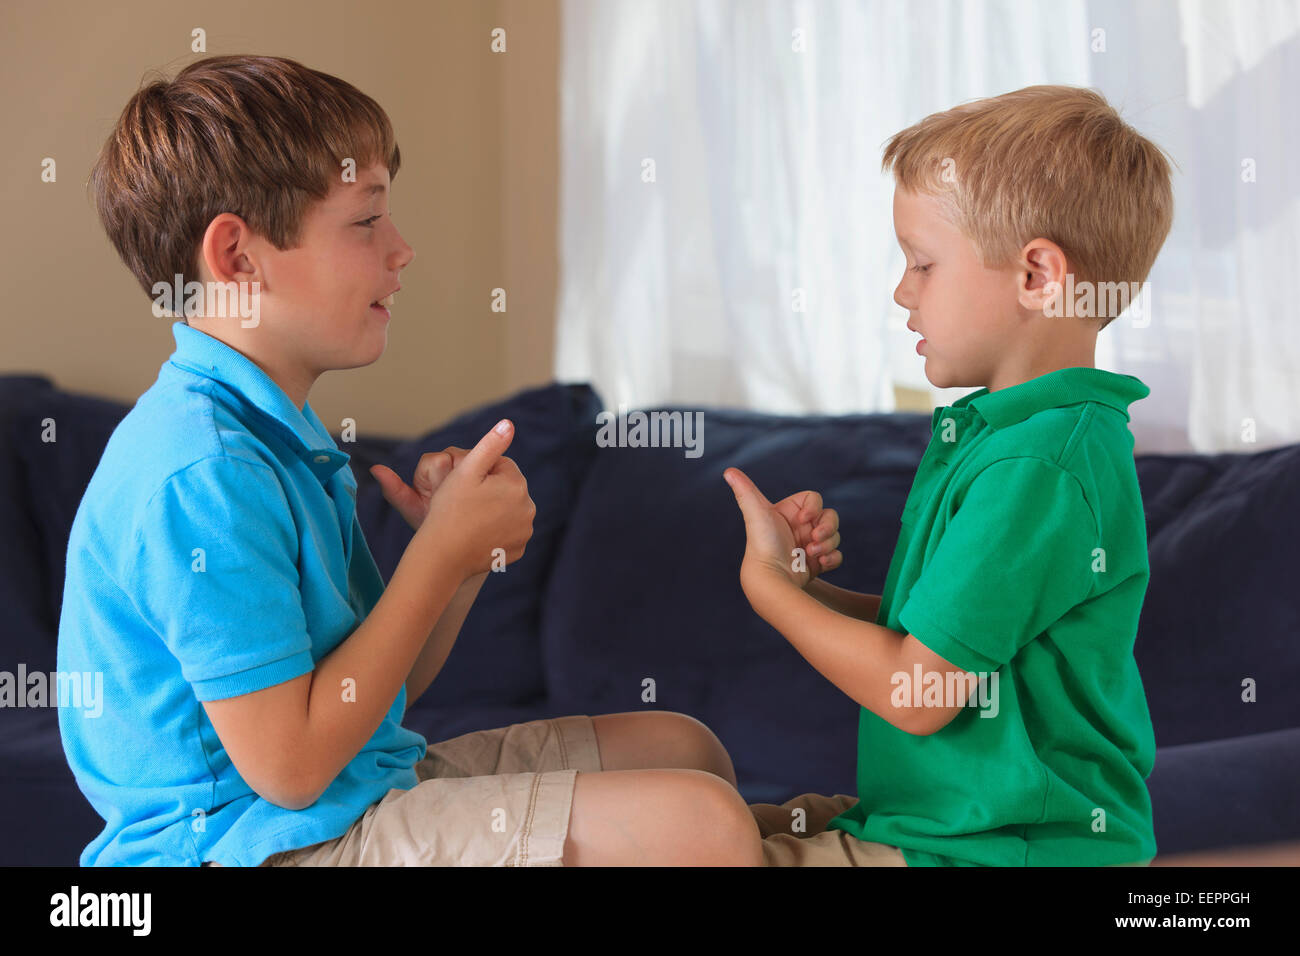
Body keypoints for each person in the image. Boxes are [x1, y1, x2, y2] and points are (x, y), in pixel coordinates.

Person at [59, 54, 811, 866]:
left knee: (681, 748)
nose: (402, 248)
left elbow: (376, 702)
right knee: (700, 825)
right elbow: (290, 768)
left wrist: (452, 564)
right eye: (366, 220)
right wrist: (437, 555)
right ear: (239, 258)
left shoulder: (275, 435)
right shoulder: (204, 472)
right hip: (252, 845)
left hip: (341, 796)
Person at [727, 85, 1174, 866]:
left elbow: (918, 693)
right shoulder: (1012, 438)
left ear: (1037, 276)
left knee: (684, 836)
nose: (903, 290)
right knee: (701, 815)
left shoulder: (1039, 465)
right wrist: (803, 587)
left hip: (998, 848)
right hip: (945, 825)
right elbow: (946, 642)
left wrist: (767, 598)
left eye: (922, 264)